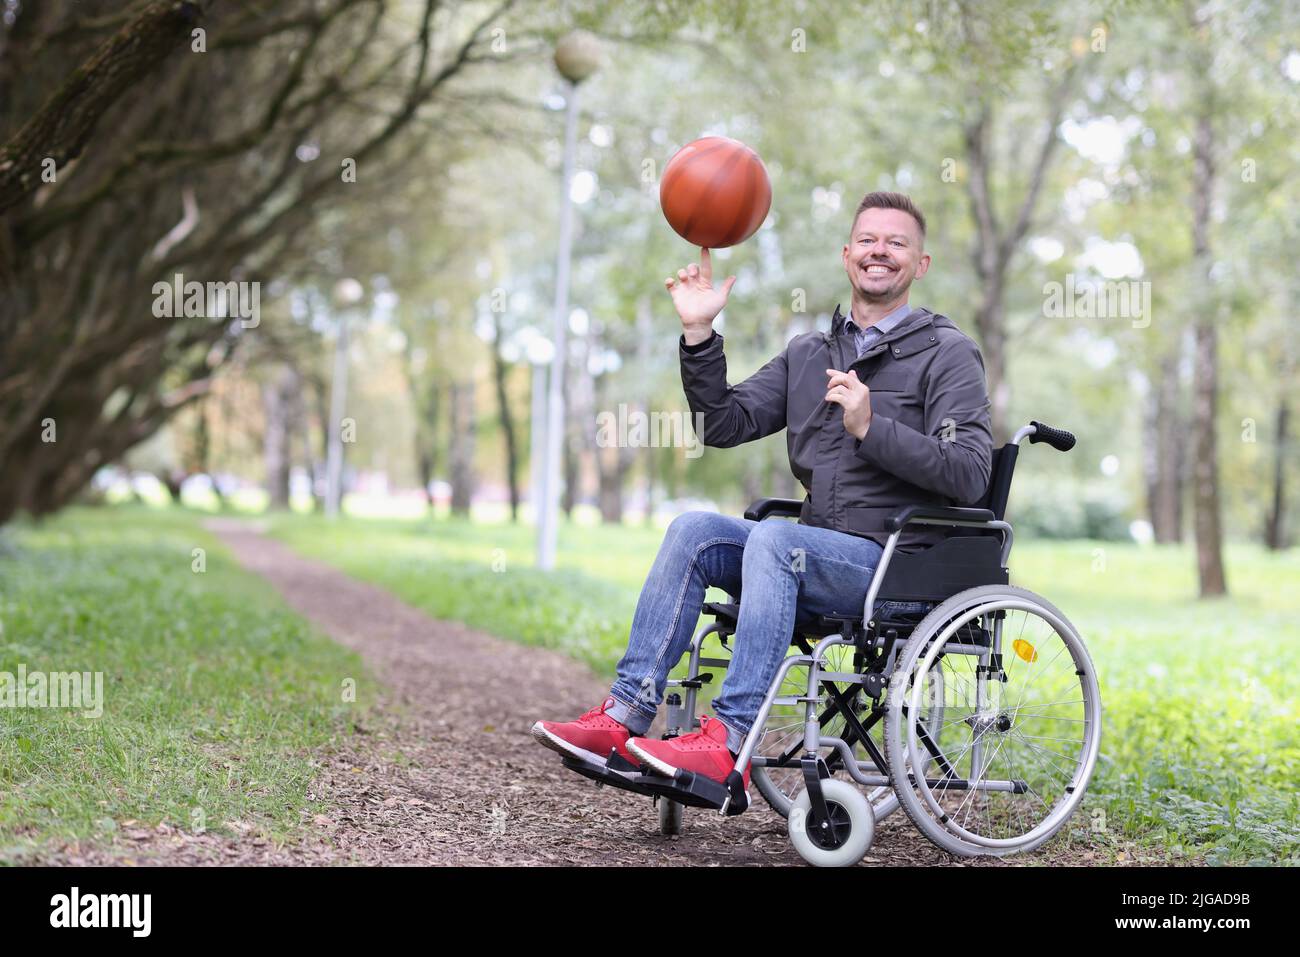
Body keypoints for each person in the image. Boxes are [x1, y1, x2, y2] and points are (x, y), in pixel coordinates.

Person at [532, 191, 993, 803]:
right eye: (867, 240)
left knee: (776, 539)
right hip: (812, 551)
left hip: (895, 564)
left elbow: (968, 474)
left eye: (897, 242)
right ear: (847, 254)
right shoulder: (811, 353)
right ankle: (624, 716)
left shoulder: (948, 353)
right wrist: (699, 334)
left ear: (921, 264)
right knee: (694, 531)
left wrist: (871, 427)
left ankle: (728, 744)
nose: (879, 251)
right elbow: (723, 424)